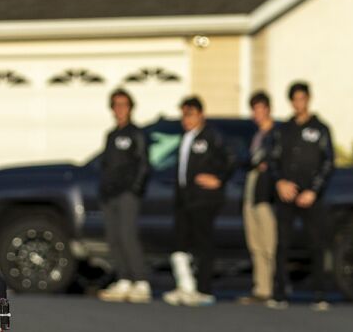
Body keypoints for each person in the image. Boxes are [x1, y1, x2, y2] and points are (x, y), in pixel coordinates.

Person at [162, 96, 235, 306]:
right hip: (185, 199)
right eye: (184, 115)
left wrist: (219, 178)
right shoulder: (185, 138)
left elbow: (230, 158)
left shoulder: (211, 136)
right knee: (180, 243)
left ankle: (204, 290)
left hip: (204, 200)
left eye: (191, 114)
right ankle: (185, 285)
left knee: (203, 243)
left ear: (201, 115)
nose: (186, 119)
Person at [268, 81, 334, 310]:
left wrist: (314, 190)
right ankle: (280, 293)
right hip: (286, 193)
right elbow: (273, 160)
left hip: (310, 195)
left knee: (316, 243)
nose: (299, 104)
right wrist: (280, 182)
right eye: (295, 100)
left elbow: (328, 162)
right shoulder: (283, 129)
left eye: (302, 99)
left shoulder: (320, 129)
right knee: (282, 244)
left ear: (308, 99)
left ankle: (319, 293)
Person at [97, 88, 152, 303]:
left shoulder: (136, 134)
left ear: (130, 108)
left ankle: (141, 281)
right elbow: (106, 165)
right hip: (110, 195)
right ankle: (124, 278)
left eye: (124, 105)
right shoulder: (111, 135)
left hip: (127, 193)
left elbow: (143, 164)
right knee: (114, 237)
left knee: (128, 235)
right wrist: (104, 189)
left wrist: (134, 188)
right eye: (116, 105)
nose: (120, 109)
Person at [238, 91, 278, 304]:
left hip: (266, 192)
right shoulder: (256, 136)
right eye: (254, 110)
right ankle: (261, 287)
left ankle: (275, 287)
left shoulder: (276, 134)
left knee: (269, 242)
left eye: (259, 109)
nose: (256, 114)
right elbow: (247, 160)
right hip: (252, 190)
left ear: (268, 109)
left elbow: (279, 161)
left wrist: (268, 165)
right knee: (255, 243)